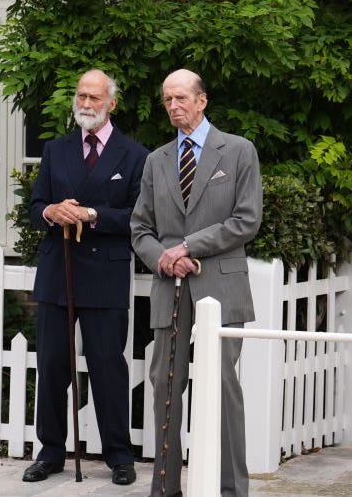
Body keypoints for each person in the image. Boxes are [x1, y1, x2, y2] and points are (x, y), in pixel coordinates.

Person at [130, 69, 262, 497]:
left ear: (202, 101)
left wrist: (187, 246)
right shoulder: (156, 160)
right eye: (167, 99)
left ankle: (230, 490)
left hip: (221, 287)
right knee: (164, 384)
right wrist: (166, 260)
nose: (173, 106)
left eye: (181, 98)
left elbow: (246, 220)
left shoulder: (239, 152)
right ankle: (165, 487)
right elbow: (140, 231)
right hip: (170, 288)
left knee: (223, 387)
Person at [23, 69, 148, 485]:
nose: (86, 104)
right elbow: (35, 204)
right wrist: (51, 211)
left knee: (108, 366)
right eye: (81, 96)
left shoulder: (134, 155)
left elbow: (138, 218)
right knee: (53, 365)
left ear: (111, 103)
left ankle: (119, 456)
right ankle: (51, 452)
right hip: (59, 269)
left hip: (106, 275)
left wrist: (91, 215)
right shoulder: (56, 150)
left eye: (95, 97)